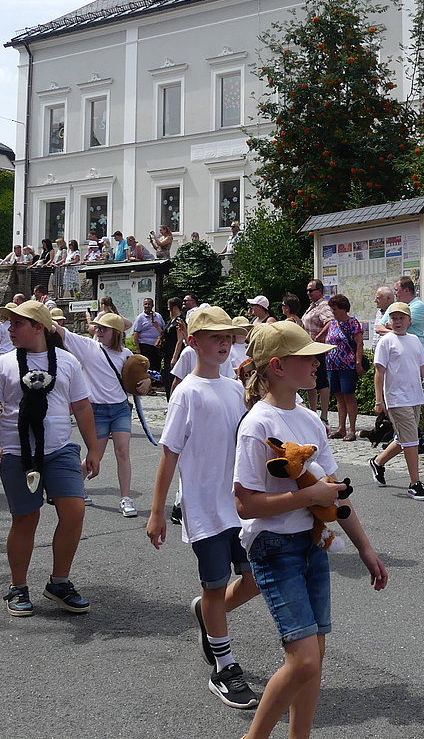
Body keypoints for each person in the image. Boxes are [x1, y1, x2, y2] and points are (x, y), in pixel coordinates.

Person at [234, 321, 387, 739]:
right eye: (307, 357)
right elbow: (245, 504)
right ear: (278, 366)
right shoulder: (257, 424)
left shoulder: (309, 420)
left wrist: (366, 548)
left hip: (313, 543)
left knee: (314, 654)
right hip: (274, 546)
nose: (318, 363)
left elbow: (334, 493)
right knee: (303, 660)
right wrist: (308, 496)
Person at [146, 307, 260, 709]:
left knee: (255, 579)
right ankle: (224, 667)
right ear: (193, 342)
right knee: (214, 584)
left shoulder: (234, 387)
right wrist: (157, 510)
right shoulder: (187, 393)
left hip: (239, 505)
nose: (224, 343)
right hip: (204, 507)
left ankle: (208, 615)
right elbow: (169, 454)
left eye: (228, 336)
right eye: (215, 337)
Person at [0, 300, 101, 616]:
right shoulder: (3, 364)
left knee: (74, 511)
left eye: (17, 323)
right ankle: (17, 587)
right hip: (17, 452)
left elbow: (82, 407)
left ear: (39, 327)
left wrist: (94, 449)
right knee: (26, 519)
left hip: (60, 449)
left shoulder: (67, 361)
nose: (10, 329)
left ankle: (59, 583)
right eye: (10, 323)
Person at [56, 311, 149, 518]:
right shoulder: (89, 347)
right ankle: (76, 485)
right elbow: (62, 332)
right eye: (97, 328)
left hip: (120, 408)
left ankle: (126, 498)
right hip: (96, 410)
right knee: (94, 455)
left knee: (122, 451)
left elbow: (140, 375)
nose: (98, 331)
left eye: (103, 329)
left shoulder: (126, 354)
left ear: (116, 333)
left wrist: (147, 381)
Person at [368, 301, 424, 501]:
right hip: (397, 398)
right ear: (389, 321)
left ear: (409, 321)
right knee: (411, 440)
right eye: (394, 318)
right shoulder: (386, 342)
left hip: (415, 397)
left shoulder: (414, 340)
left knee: (404, 438)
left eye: (401, 318)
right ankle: (414, 483)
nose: (397, 321)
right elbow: (379, 372)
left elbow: (423, 368)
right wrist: (379, 400)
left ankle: (378, 462)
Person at [323, 294, 363, 441]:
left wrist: (358, 362)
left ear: (343, 309)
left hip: (348, 365)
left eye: (335, 309)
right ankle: (341, 428)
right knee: (339, 397)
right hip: (332, 365)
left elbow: (359, 343)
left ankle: (352, 429)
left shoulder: (352, 323)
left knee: (348, 396)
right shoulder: (332, 324)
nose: (333, 312)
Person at [301, 280, 333, 425]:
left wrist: (318, 337)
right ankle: (313, 413)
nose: (308, 293)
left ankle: (324, 416)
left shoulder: (323, 305)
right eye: (307, 290)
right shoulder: (311, 306)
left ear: (319, 291)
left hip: (319, 349)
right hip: (309, 349)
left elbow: (330, 321)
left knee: (321, 382)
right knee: (310, 382)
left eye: (311, 290)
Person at [133, 297, 166, 380]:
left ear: (152, 305)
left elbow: (164, 331)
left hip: (157, 346)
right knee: (147, 366)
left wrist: (157, 326)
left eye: (149, 304)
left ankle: (156, 382)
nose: (147, 306)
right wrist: (137, 348)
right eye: (145, 304)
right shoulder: (140, 318)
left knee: (156, 365)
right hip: (145, 346)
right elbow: (136, 334)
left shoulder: (158, 316)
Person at [393, 276, 424, 347]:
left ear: (406, 290)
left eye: (396, 290)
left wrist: (390, 326)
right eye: (393, 318)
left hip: (415, 348)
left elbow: (403, 324)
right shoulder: (394, 306)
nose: (394, 293)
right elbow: (379, 327)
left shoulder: (418, 306)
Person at [366, 285, 393, 352]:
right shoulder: (379, 312)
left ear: (388, 298)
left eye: (378, 298)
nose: (375, 301)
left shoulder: (396, 313)